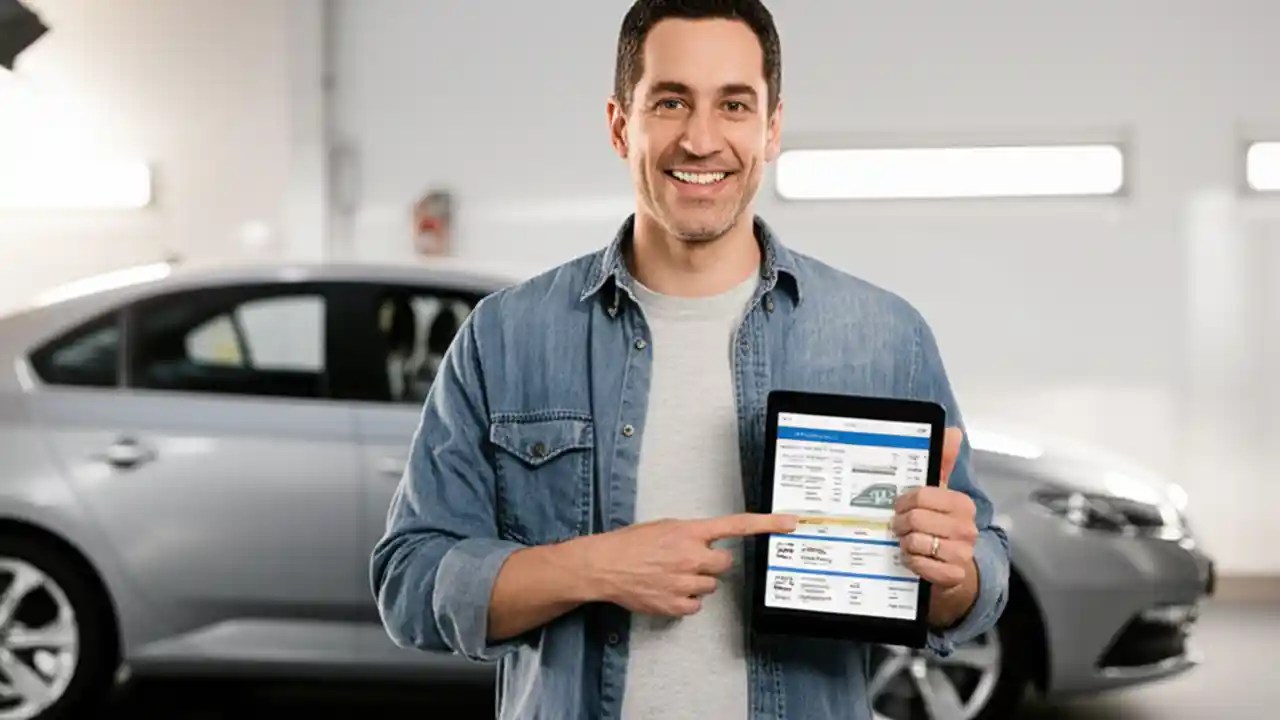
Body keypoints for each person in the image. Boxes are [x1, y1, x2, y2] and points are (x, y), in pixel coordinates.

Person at [369, 1, 1011, 718]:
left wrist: (952, 574)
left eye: (734, 105)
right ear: (620, 124)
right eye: (671, 102)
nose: (702, 140)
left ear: (770, 128)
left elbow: (979, 580)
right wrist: (596, 566)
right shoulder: (507, 336)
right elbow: (409, 582)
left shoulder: (883, 337)